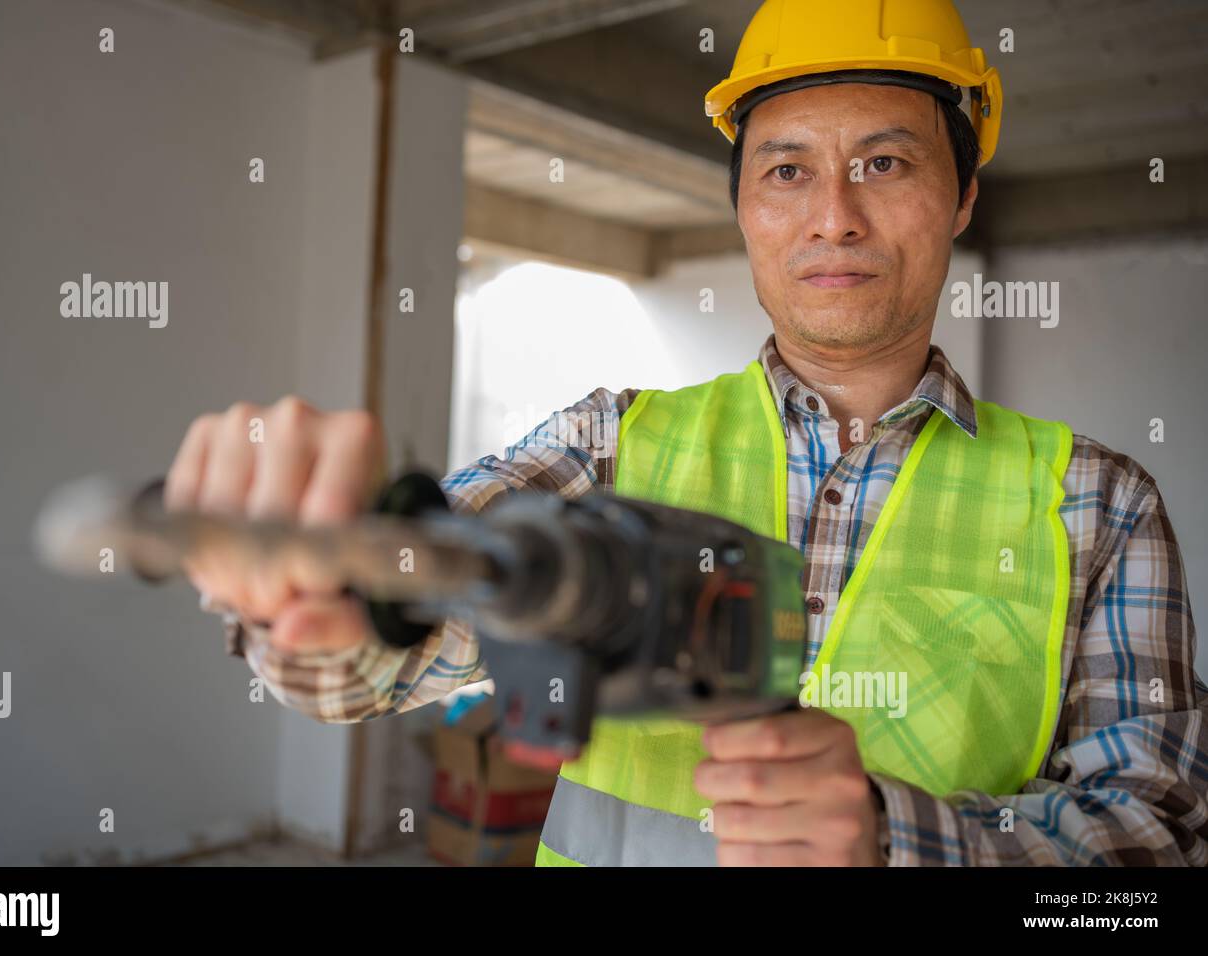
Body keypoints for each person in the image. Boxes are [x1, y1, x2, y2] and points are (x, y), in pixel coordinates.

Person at [163, 0, 1206, 866]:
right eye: (786, 171)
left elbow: (1150, 845)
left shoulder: (1094, 502)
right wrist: (323, 596)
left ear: (962, 195)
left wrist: (900, 837)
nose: (833, 216)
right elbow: (384, 656)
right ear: (745, 207)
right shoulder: (611, 446)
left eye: (885, 165)